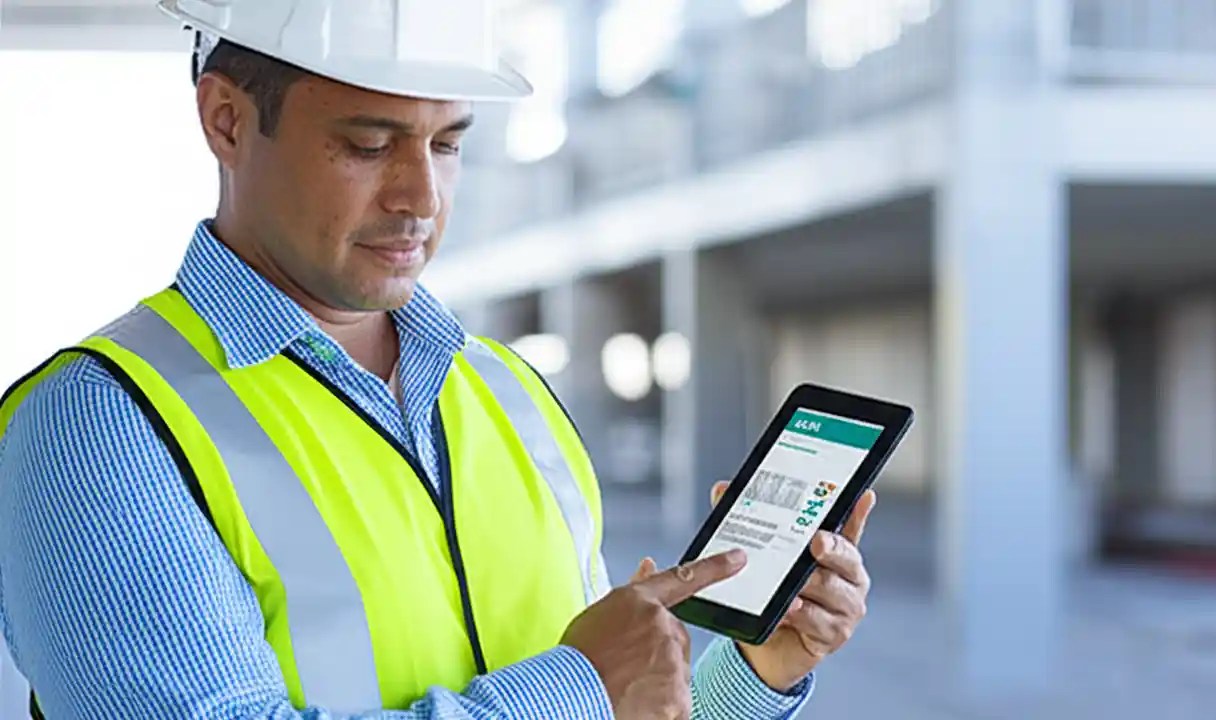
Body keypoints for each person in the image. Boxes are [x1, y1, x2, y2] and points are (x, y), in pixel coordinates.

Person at [0, 1, 877, 718]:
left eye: (448, 143)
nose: (421, 196)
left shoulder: (511, 393)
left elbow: (630, 708)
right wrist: (582, 685)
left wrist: (758, 673)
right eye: (370, 144)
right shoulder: (93, 425)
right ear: (226, 120)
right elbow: (592, 695)